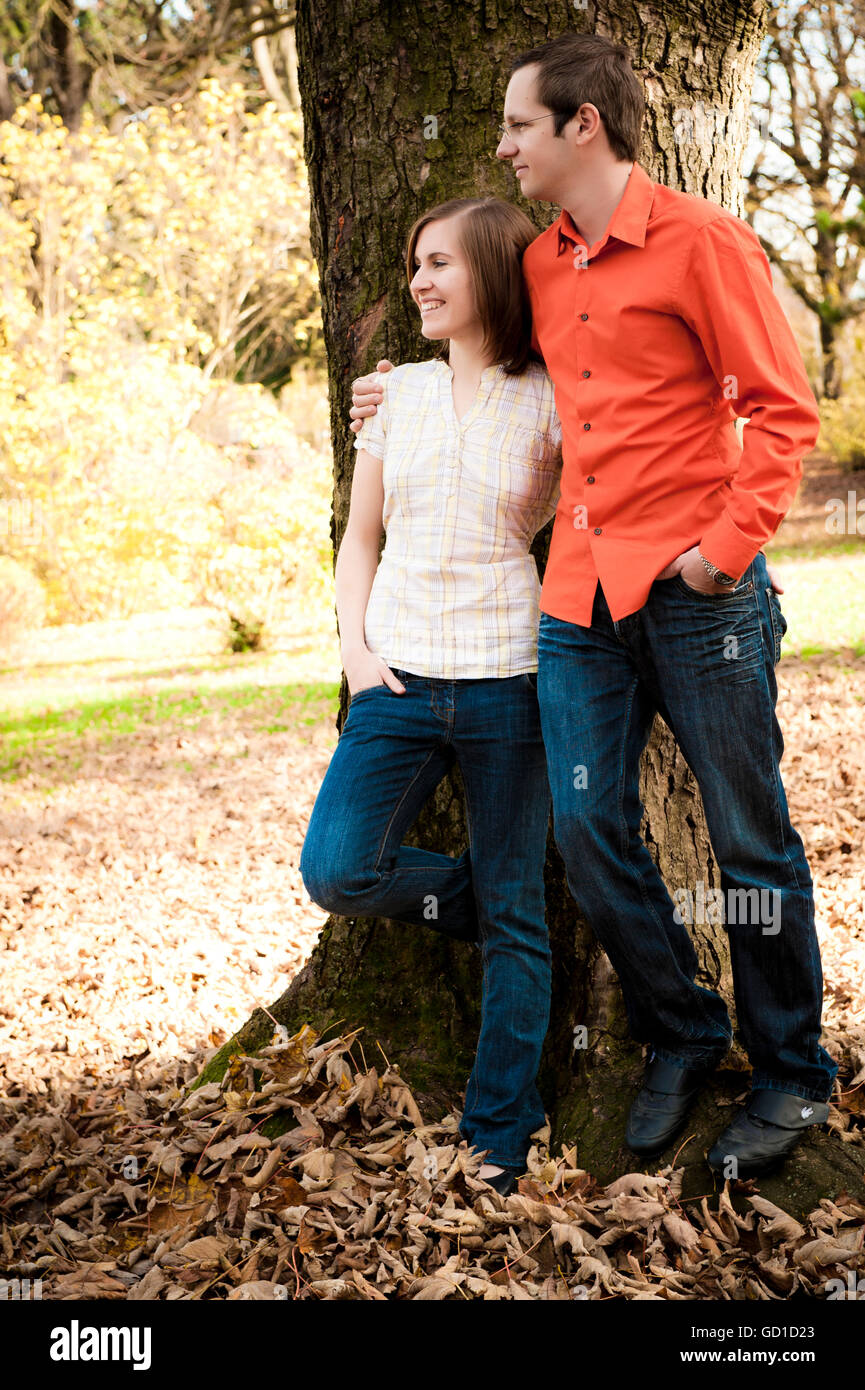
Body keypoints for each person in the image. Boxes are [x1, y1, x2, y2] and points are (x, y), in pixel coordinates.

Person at [349, 32, 837, 1178]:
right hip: (575, 603)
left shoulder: (702, 243)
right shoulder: (538, 263)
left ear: (583, 125)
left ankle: (792, 1074)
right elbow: (479, 359)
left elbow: (779, 413)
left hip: (699, 602)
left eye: (520, 124)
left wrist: (721, 557)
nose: (504, 143)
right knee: (585, 830)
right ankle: (681, 1026)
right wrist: (394, 386)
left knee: (746, 843)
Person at [300, 196, 564, 1197]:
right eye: (415, 262)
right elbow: (359, 537)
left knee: (518, 921)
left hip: (509, 680)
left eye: (440, 262)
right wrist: (358, 655)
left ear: (494, 273)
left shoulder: (551, 398)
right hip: (397, 681)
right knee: (338, 869)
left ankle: (498, 1132)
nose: (419, 280)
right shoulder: (395, 393)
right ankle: (487, 903)